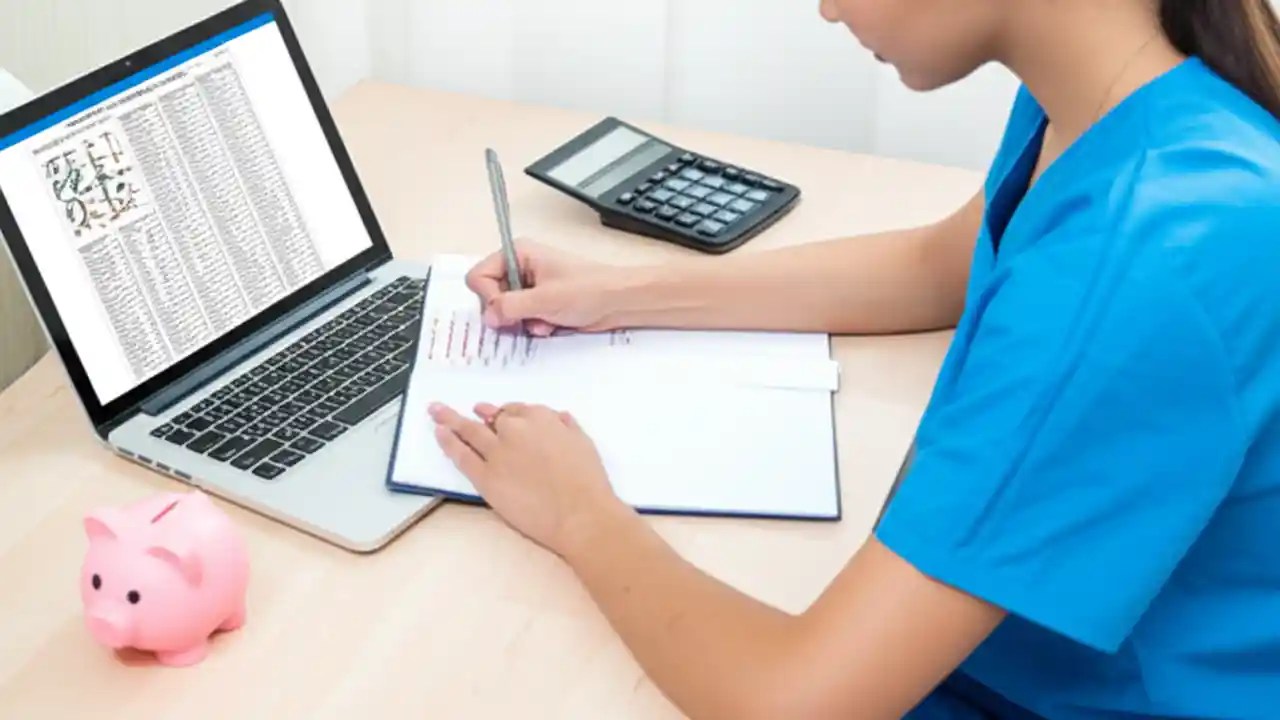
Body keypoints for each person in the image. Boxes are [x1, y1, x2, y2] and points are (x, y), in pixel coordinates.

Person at [427, 0, 1280, 717]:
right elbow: (939, 266)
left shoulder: (1143, 254)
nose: (828, 7)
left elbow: (795, 701)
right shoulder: (1128, 102)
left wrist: (581, 513)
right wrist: (619, 295)